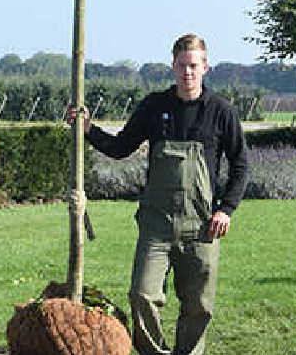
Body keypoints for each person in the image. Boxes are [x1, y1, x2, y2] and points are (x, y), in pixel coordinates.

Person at [68, 33, 248, 355]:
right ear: (173, 66)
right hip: (157, 225)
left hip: (202, 226)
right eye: (182, 66)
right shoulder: (154, 106)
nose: (187, 73)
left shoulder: (221, 111)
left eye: (194, 66)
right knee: (142, 294)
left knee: (199, 306)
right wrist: (89, 130)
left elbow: (240, 164)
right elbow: (121, 147)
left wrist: (226, 209)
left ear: (206, 67)